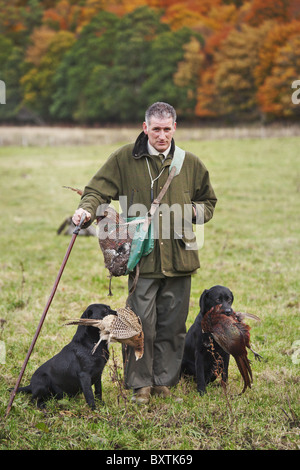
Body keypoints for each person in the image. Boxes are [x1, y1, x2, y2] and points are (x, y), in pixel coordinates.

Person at [72, 102, 217, 404]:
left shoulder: (189, 163)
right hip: (142, 259)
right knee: (139, 326)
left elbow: (208, 202)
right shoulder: (124, 158)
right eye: (156, 129)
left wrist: (194, 210)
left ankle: (164, 382)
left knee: (173, 326)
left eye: (167, 129)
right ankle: (141, 386)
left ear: (174, 128)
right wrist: (85, 210)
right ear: (145, 128)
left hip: (180, 257)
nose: (162, 135)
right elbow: (96, 191)